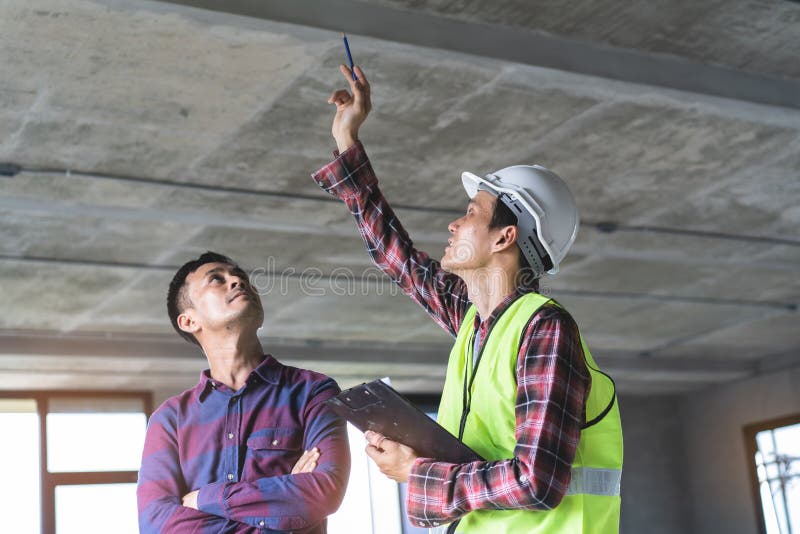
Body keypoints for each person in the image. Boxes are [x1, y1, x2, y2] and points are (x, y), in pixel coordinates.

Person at [311, 65, 623, 533]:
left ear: (505, 238)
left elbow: (536, 481)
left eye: (471, 212)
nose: (455, 224)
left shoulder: (544, 330)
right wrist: (347, 141)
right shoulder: (478, 325)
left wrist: (417, 474)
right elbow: (397, 258)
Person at [137, 251, 350, 533]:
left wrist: (204, 499)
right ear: (189, 321)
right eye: (217, 279)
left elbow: (325, 490)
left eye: (241, 276)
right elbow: (155, 523)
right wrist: (281, 510)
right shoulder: (169, 419)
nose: (237, 280)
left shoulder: (314, 391)